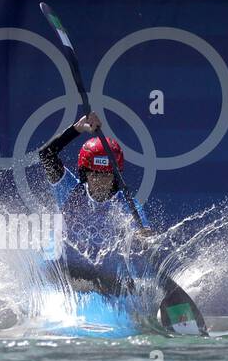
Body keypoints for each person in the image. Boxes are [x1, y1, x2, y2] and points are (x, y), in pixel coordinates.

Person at [38, 112, 153, 295]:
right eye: (94, 174)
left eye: (106, 174)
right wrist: (77, 129)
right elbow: (46, 155)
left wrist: (144, 238)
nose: (100, 180)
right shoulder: (69, 190)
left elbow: (143, 234)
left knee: (125, 284)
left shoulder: (126, 204)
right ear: (85, 173)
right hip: (64, 277)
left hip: (104, 282)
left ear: (115, 176)